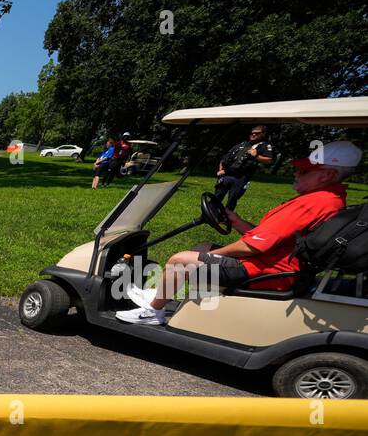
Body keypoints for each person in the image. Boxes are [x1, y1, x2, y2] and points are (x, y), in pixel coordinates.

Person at [117, 140, 361, 326]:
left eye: (305, 171)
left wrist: (218, 257)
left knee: (180, 260)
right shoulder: (329, 199)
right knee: (201, 247)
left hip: (270, 271)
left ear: (327, 175)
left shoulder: (313, 203)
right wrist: (237, 222)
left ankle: (153, 311)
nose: (297, 173)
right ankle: (163, 295)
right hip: (279, 264)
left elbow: (253, 247)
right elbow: (277, 237)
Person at [216, 125, 275, 210]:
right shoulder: (242, 144)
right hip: (226, 174)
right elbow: (225, 158)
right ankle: (211, 213)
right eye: (252, 133)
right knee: (217, 196)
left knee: (232, 199)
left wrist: (256, 156)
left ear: (263, 134)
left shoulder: (264, 145)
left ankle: (226, 218)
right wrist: (221, 169)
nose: (253, 135)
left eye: (257, 133)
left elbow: (269, 160)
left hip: (241, 178)